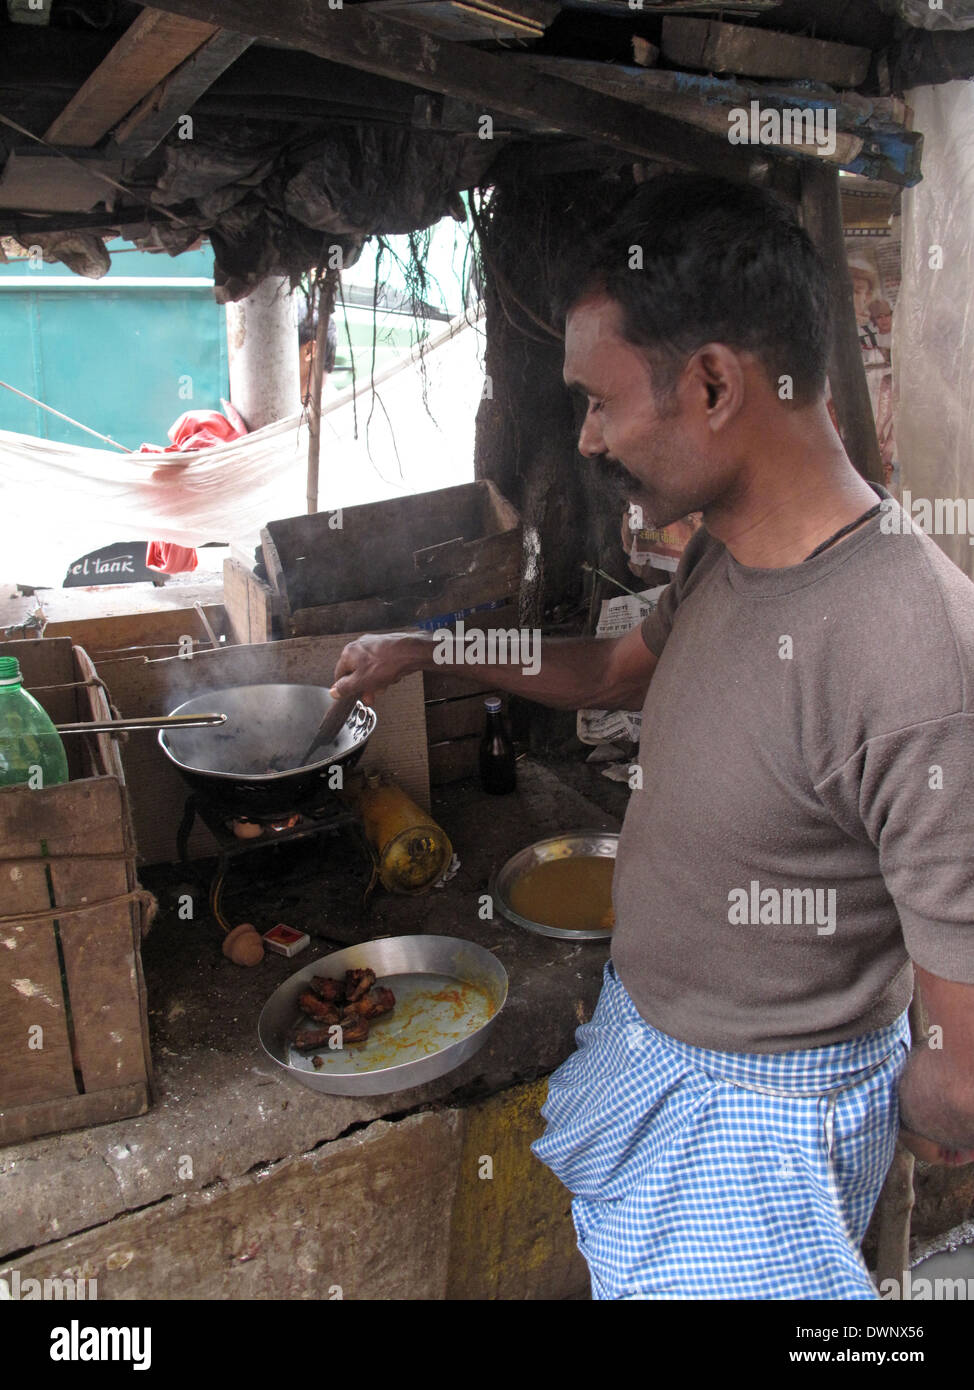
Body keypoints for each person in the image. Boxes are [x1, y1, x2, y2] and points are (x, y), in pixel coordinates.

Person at [328, 173, 974, 1299]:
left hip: (760, 1128)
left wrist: (906, 1108)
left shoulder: (916, 649)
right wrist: (428, 647)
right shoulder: (729, 547)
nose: (584, 436)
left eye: (597, 399)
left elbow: (965, 1055)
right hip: (655, 1052)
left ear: (715, 383)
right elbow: (615, 672)